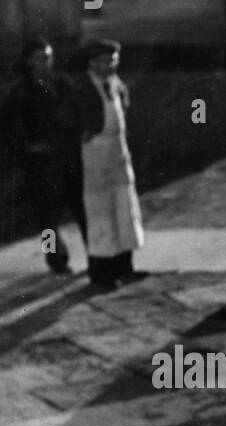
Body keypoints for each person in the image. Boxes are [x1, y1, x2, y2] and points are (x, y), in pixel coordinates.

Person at [3, 39, 86, 274]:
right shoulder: (20, 93)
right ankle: (56, 259)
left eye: (48, 57)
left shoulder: (65, 84)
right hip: (41, 165)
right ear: (29, 61)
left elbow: (79, 112)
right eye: (39, 58)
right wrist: (29, 148)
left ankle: (96, 254)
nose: (44, 63)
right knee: (47, 221)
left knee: (83, 210)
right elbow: (12, 129)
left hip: (68, 160)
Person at [77, 39, 144, 290]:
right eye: (106, 61)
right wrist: (81, 132)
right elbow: (66, 117)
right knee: (100, 212)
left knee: (124, 207)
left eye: (114, 61)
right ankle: (101, 273)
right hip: (94, 152)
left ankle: (124, 266)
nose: (111, 66)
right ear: (93, 62)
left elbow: (121, 111)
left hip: (118, 151)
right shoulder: (81, 87)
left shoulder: (116, 84)